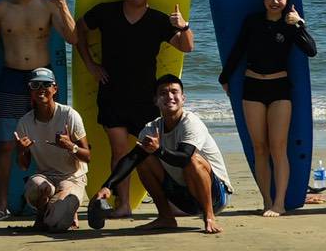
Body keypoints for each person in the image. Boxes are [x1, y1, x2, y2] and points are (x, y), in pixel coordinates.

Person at [75, 0, 194, 221]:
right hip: (112, 94)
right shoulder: (106, 12)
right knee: (119, 151)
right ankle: (124, 204)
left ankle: (170, 203)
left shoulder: (159, 20)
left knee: (149, 151)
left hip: (145, 98)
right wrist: (90, 64)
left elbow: (187, 47)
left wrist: (183, 26)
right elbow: (78, 29)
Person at [0, 0, 77, 214]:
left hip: (42, 79)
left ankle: (51, 198)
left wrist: (63, 7)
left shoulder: (48, 6)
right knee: (6, 144)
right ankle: (2, 205)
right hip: (11, 78)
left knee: (50, 142)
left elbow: (73, 37)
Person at [218, 0, 317, 217]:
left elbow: (311, 51)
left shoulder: (289, 25)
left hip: (280, 88)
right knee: (259, 148)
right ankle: (266, 201)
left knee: (278, 147)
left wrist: (299, 24)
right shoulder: (252, 21)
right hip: (252, 87)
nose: (274, 1)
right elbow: (238, 50)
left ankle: (279, 203)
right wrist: (225, 77)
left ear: (287, 0)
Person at [90, 75, 227, 234]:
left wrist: (158, 150)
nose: (169, 96)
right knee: (143, 159)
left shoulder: (191, 123)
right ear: (155, 100)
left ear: (183, 98)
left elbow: (184, 158)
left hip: (216, 195)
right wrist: (107, 186)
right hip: (183, 198)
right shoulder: (152, 128)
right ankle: (166, 217)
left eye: (174, 92)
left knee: (193, 159)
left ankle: (209, 217)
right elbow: (131, 159)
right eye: (163, 93)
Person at [9, 67, 89, 234]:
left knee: (55, 225)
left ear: (55, 88)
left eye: (46, 84)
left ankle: (63, 210)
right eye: (35, 85)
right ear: (30, 89)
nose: (41, 89)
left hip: (72, 177)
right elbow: (24, 166)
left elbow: (87, 157)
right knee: (36, 186)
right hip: (46, 177)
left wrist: (71, 146)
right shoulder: (25, 122)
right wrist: (21, 151)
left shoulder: (69, 115)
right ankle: (45, 213)